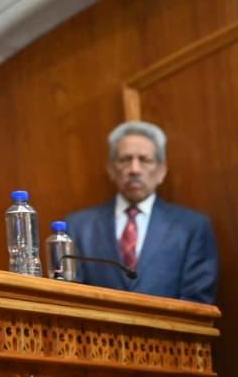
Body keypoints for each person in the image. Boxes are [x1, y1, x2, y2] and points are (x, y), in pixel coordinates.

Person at [65, 121, 217, 303]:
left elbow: (197, 301)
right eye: (125, 160)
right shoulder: (78, 227)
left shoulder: (192, 227)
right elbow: (70, 298)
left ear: (161, 171)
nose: (134, 169)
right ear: (111, 169)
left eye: (145, 160)